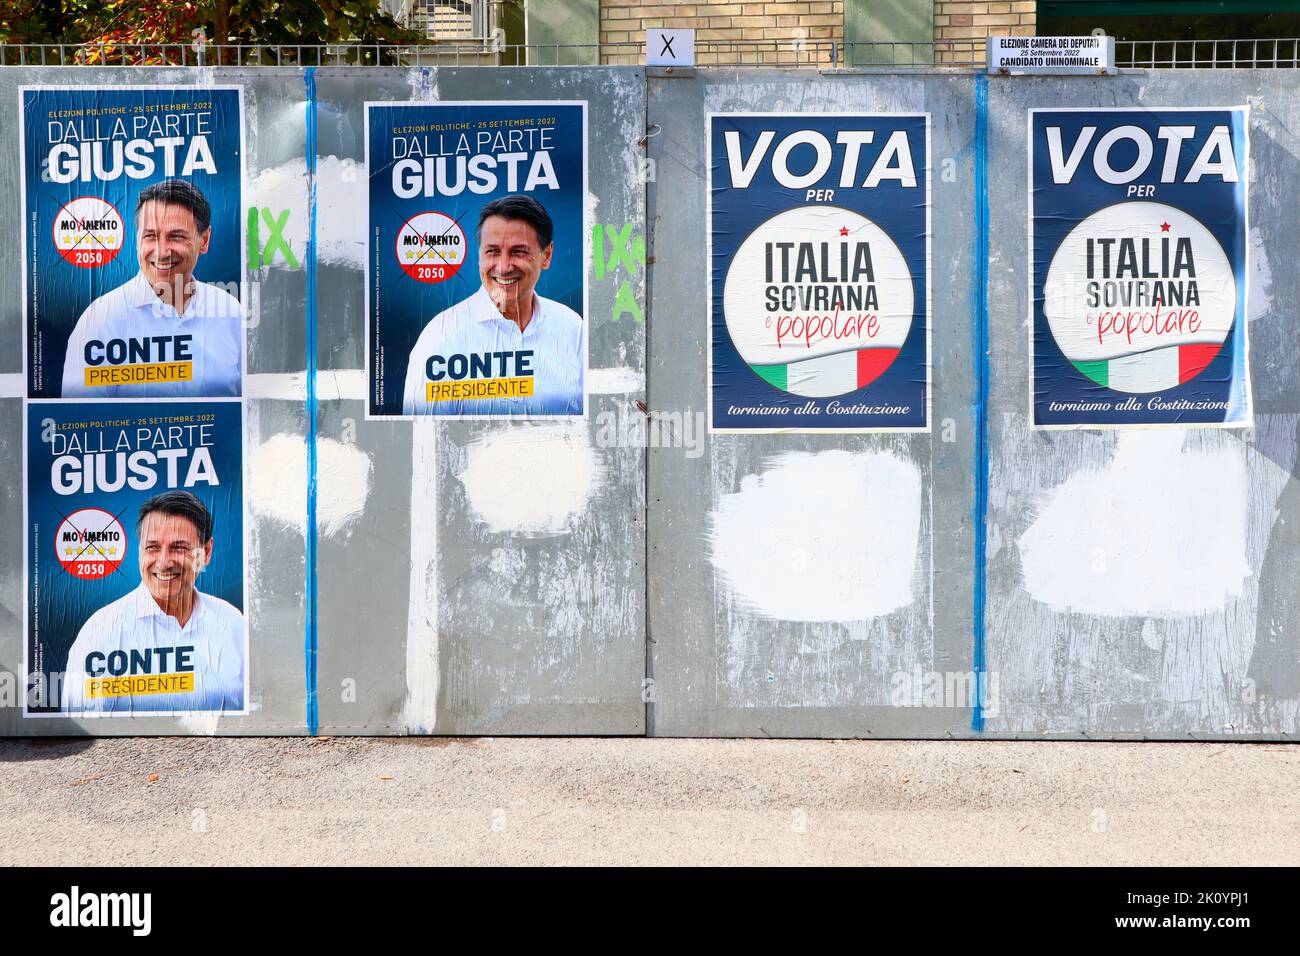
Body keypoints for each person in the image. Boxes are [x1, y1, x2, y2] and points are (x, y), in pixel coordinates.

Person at [60, 491, 245, 715]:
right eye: (153, 547)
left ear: (206, 552)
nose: (164, 562)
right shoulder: (101, 631)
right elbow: (80, 728)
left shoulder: (232, 622)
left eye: (179, 547)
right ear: (139, 552)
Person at [401, 194, 585, 416]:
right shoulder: (440, 336)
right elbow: (422, 440)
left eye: (519, 252)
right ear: (479, 255)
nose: (504, 267)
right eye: (493, 251)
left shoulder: (572, 327)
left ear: (546, 256)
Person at [60, 179, 242, 398]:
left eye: (176, 236)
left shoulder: (231, 312)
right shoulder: (100, 320)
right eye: (150, 236)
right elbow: (82, 423)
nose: (162, 251)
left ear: (204, 240)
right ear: (137, 240)